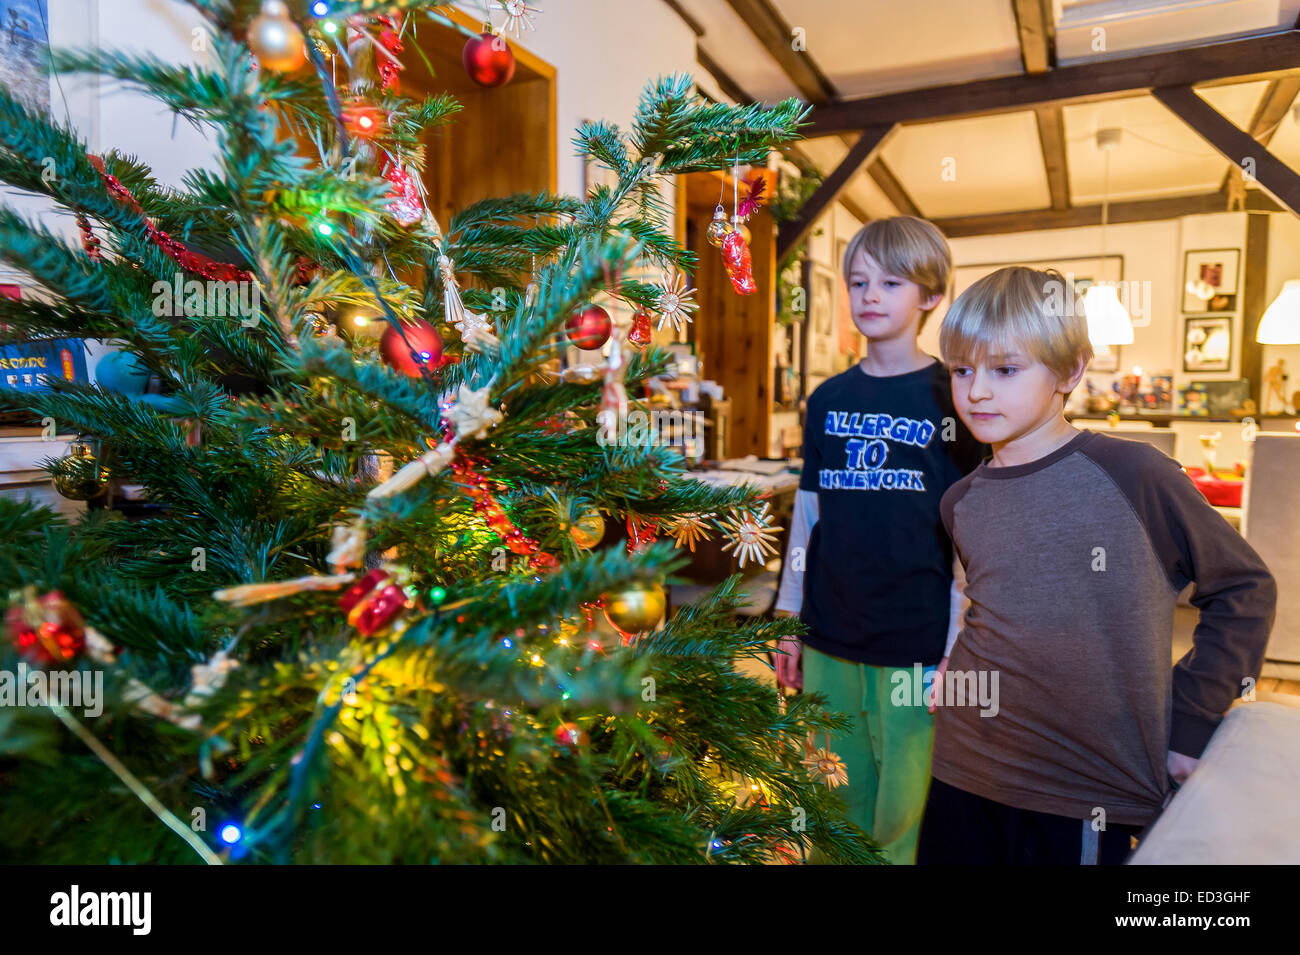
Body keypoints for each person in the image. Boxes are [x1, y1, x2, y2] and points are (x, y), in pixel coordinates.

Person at [918, 266, 1276, 865]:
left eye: (1004, 369)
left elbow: (1244, 588)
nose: (976, 391)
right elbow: (995, 603)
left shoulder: (1138, 476)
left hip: (1084, 789)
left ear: (1071, 370)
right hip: (963, 768)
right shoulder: (961, 501)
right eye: (962, 370)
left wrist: (1190, 721)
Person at [774, 216, 986, 864]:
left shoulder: (954, 397)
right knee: (832, 788)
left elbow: (968, 540)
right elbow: (807, 518)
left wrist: (959, 642)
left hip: (915, 643)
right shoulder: (828, 398)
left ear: (930, 296)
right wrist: (787, 618)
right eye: (858, 281)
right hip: (830, 633)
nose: (869, 295)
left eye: (890, 282)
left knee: (904, 808)